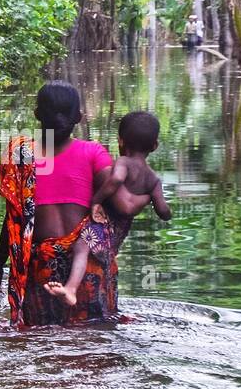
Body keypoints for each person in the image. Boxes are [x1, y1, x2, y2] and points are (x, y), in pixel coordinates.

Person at [0, 80, 119, 326]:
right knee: (92, 332)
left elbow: (15, 222)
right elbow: (117, 205)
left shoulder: (20, 156)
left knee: (41, 337)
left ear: (37, 114)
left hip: (41, 271)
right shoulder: (94, 153)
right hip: (88, 269)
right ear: (79, 117)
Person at [44, 111, 170, 307]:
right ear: (154, 146)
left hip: (104, 225)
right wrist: (149, 199)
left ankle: (71, 288)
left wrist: (96, 200)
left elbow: (117, 179)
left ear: (120, 141)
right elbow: (163, 211)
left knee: (81, 247)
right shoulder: (154, 180)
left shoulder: (123, 163)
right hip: (118, 232)